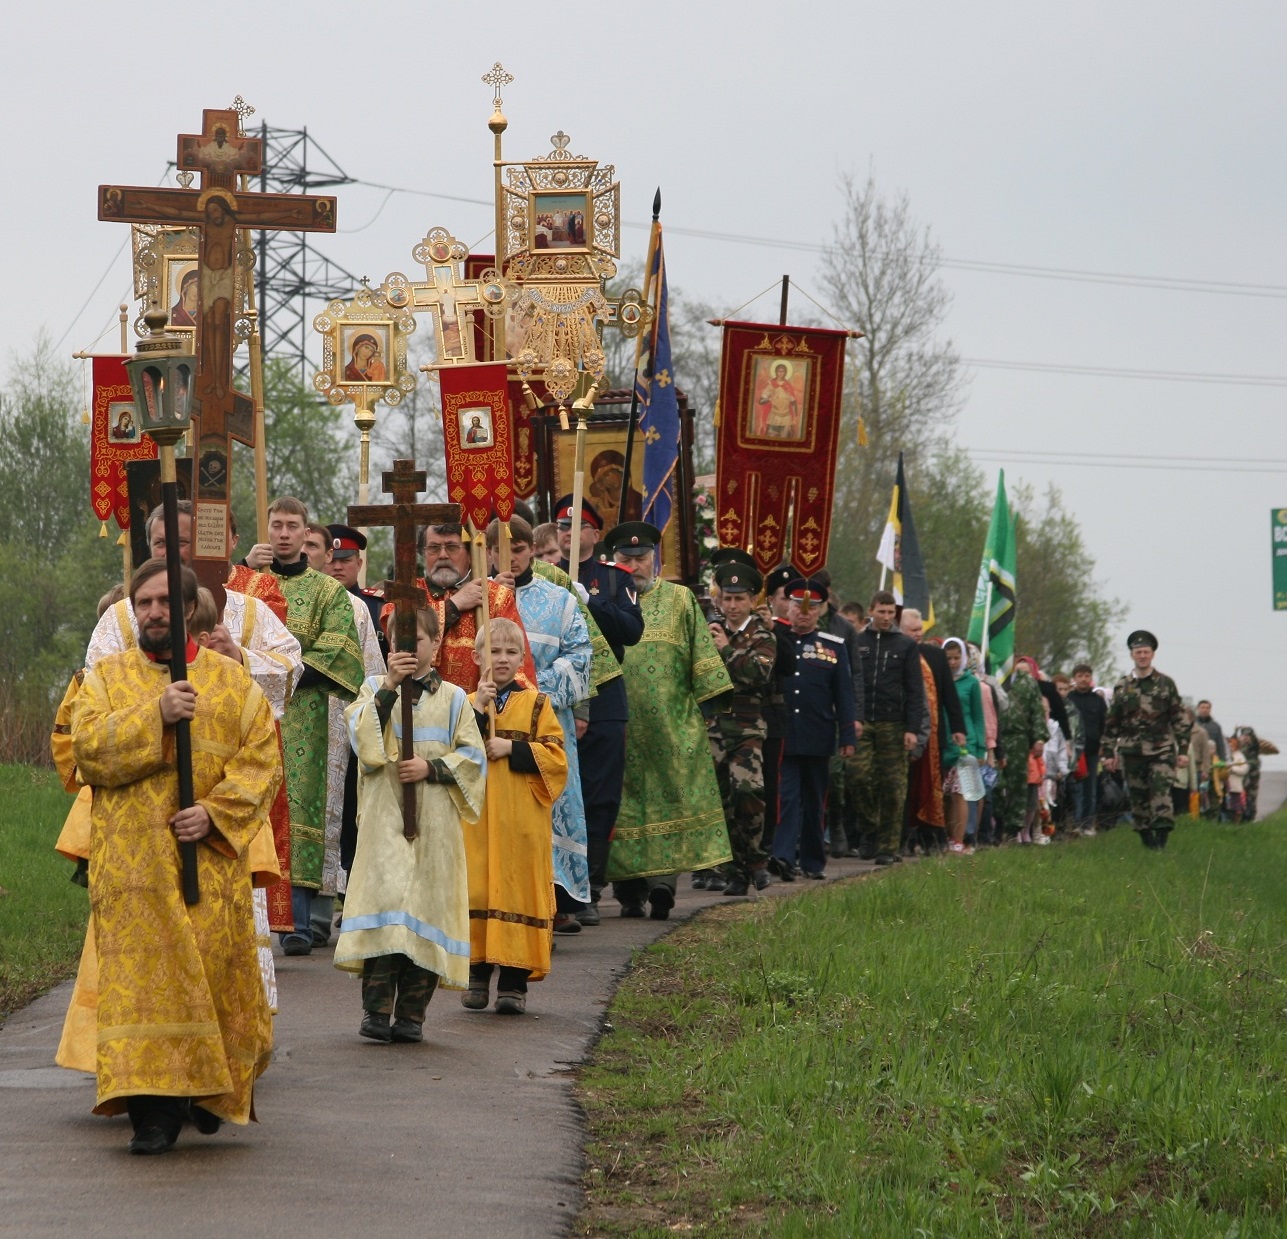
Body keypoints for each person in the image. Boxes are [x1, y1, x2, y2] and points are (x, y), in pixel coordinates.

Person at [66, 558, 281, 1154]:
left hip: (206, 865)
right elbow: (85, 750)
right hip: (132, 872)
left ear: (189, 609)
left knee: (209, 980)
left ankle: (203, 1092)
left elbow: (263, 762)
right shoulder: (107, 678)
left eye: (163, 602)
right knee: (144, 993)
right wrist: (155, 716)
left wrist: (214, 812)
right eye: (143, 604)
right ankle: (153, 1117)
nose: (153, 612)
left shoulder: (232, 682)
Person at [85, 500, 301, 941]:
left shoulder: (249, 610)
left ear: (204, 544)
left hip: (215, 814)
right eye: (161, 543)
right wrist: (155, 709)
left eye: (181, 543)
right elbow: (90, 713)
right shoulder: (124, 615)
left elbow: (289, 671)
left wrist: (238, 658)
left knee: (219, 945)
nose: (170, 553)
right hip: (138, 824)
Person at [334, 606, 486, 1042]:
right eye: (397, 642)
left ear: (436, 645)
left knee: (425, 911)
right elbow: (364, 744)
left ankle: (413, 1015)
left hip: (435, 825)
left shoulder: (456, 698)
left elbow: (474, 759)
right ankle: (376, 1011)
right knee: (388, 910)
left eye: (416, 641)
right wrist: (389, 688)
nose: (406, 649)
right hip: (386, 822)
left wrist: (432, 768)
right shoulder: (371, 689)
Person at [244, 496, 364, 954]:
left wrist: (281, 675)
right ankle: (253, 914)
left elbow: (336, 650)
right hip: (252, 710)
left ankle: (296, 918)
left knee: (301, 807)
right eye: (276, 524)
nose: (284, 533)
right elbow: (222, 631)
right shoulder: (248, 584)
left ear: (305, 531)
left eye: (293, 525)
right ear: (268, 529)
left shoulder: (327, 592)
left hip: (305, 713)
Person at [605, 521, 733, 918]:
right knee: (620, 807)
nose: (634, 566)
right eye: (626, 560)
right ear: (613, 561)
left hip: (672, 728)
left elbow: (702, 654)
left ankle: (663, 887)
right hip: (619, 727)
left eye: (641, 559)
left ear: (654, 560)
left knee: (672, 802)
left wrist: (708, 708)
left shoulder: (679, 599)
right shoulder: (602, 600)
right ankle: (629, 893)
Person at [486, 516, 593, 932]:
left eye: (519, 548)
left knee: (550, 803)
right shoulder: (478, 597)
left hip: (545, 721)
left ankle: (555, 901)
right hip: (492, 723)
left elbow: (581, 656)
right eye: (501, 549)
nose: (510, 556)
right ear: (489, 551)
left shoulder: (560, 600)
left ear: (531, 549)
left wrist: (532, 687)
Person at [465, 619, 568, 1014]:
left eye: (510, 652)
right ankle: (476, 972)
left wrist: (511, 749)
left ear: (522, 658)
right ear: (478, 657)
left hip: (521, 819)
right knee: (477, 887)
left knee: (516, 888)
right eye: (494, 651)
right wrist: (477, 710)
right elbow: (452, 749)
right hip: (477, 818)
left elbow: (557, 760)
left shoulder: (537, 704)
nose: (502, 659)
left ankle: (513, 982)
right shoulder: (467, 702)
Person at [555, 495, 645, 920]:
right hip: (558, 695)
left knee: (599, 796)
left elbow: (631, 630)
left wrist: (590, 601)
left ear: (594, 534)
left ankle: (590, 883)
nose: (567, 535)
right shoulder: (545, 575)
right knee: (559, 793)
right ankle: (562, 892)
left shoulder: (612, 579)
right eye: (560, 528)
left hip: (605, 696)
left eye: (576, 528)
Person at [302, 522, 386, 945]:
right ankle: (292, 913)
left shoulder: (357, 607)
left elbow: (372, 670)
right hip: (293, 716)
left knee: (342, 814)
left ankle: (326, 909)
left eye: (341, 558)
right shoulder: (271, 595)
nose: (334, 564)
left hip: (341, 720)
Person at [768, 577, 856, 880]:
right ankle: (782, 857)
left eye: (811, 608)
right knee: (786, 797)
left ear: (820, 611)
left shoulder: (832, 647)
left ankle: (813, 861)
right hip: (784, 734)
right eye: (797, 606)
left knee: (815, 802)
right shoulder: (775, 639)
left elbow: (844, 694)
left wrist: (847, 736)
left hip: (818, 735)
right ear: (788, 606)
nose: (803, 612)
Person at [388, 520, 536, 694]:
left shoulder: (495, 596)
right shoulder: (406, 593)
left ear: (470, 553)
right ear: (423, 553)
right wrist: (453, 605)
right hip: (420, 707)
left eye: (451, 547)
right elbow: (397, 633)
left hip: (483, 711)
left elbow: (516, 659)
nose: (443, 555)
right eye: (434, 548)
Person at [706, 559, 781, 896]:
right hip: (713, 725)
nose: (732, 606)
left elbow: (757, 674)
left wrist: (726, 649)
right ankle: (734, 870)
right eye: (727, 599)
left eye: (740, 599)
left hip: (748, 726)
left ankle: (756, 861)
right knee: (721, 799)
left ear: (752, 601)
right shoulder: (708, 630)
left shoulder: (762, 635)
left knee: (748, 791)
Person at [851, 590, 923, 866]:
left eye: (891, 612)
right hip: (863, 721)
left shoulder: (905, 645)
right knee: (857, 776)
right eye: (881, 611)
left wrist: (913, 729)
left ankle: (888, 846)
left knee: (894, 787)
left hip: (895, 723)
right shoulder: (858, 641)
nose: (886, 617)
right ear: (871, 611)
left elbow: (915, 690)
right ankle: (871, 825)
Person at [1103, 630, 1191, 849]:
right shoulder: (1122, 686)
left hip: (1161, 749)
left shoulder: (1165, 684)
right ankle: (1147, 841)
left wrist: (1182, 751)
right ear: (1132, 655)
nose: (1142, 656)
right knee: (1138, 797)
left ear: (1152, 655)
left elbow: (1179, 718)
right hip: (1131, 751)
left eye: (1146, 652)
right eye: (1138, 652)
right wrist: (1107, 753)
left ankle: (1161, 838)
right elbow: (1112, 721)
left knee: (1160, 791)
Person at [941, 638, 986, 855]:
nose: (952, 662)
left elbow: (978, 717)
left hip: (964, 745)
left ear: (964, 658)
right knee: (945, 794)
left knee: (960, 793)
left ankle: (958, 840)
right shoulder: (939, 680)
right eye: (948, 658)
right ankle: (946, 835)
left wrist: (980, 747)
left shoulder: (971, 683)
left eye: (956, 658)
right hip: (942, 743)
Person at [1064, 663, 1106, 836]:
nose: (1083, 679)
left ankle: (1088, 824)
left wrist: (1104, 745)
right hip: (1072, 751)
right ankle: (1074, 822)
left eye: (1087, 676)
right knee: (1074, 788)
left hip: (1092, 750)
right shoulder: (1068, 700)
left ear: (1091, 678)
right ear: (1074, 678)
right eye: (1080, 676)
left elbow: (1104, 724)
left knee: (1091, 788)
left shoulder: (1098, 700)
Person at [756, 362, 802, 439]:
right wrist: (769, 399)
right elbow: (761, 401)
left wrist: (795, 417)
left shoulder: (788, 386)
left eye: (782, 371)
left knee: (785, 439)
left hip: (786, 418)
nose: (781, 373)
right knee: (771, 439)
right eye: (779, 371)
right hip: (774, 417)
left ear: (785, 373)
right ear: (776, 372)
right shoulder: (771, 385)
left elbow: (793, 402)